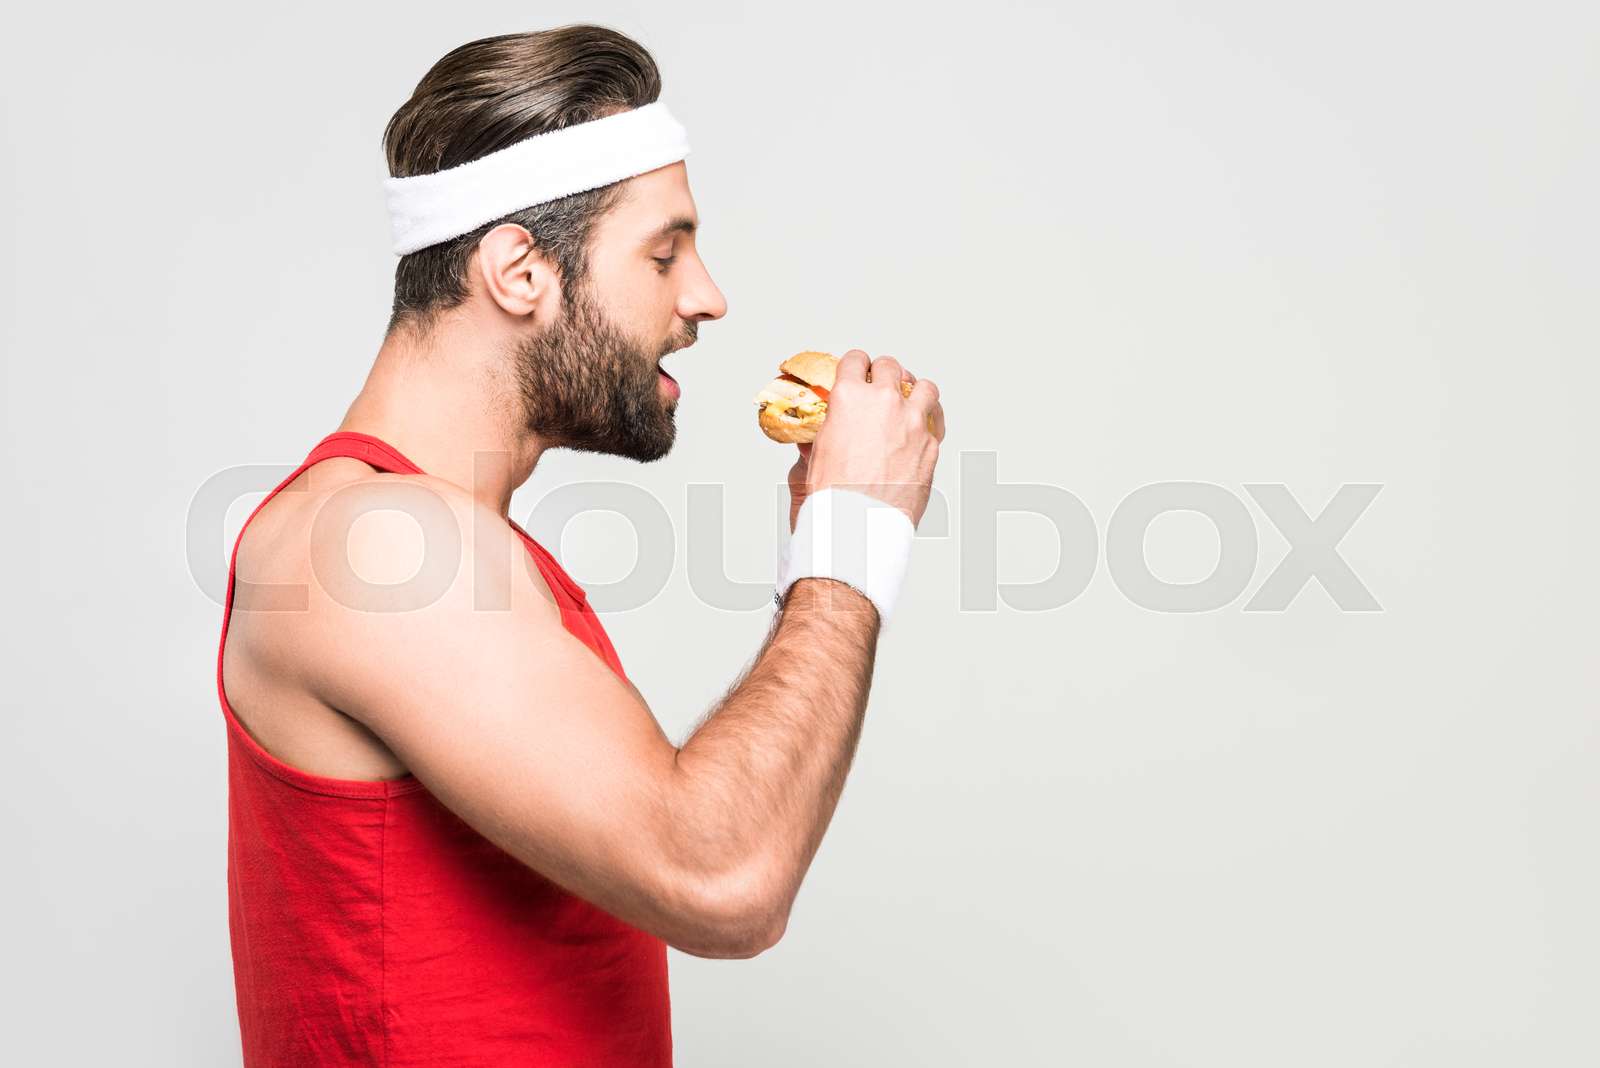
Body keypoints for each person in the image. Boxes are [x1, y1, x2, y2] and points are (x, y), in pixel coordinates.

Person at [215, 23, 945, 1066]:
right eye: (663, 252)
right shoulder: (375, 545)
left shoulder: (464, 545)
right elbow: (723, 881)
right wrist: (848, 540)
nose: (706, 297)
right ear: (518, 271)